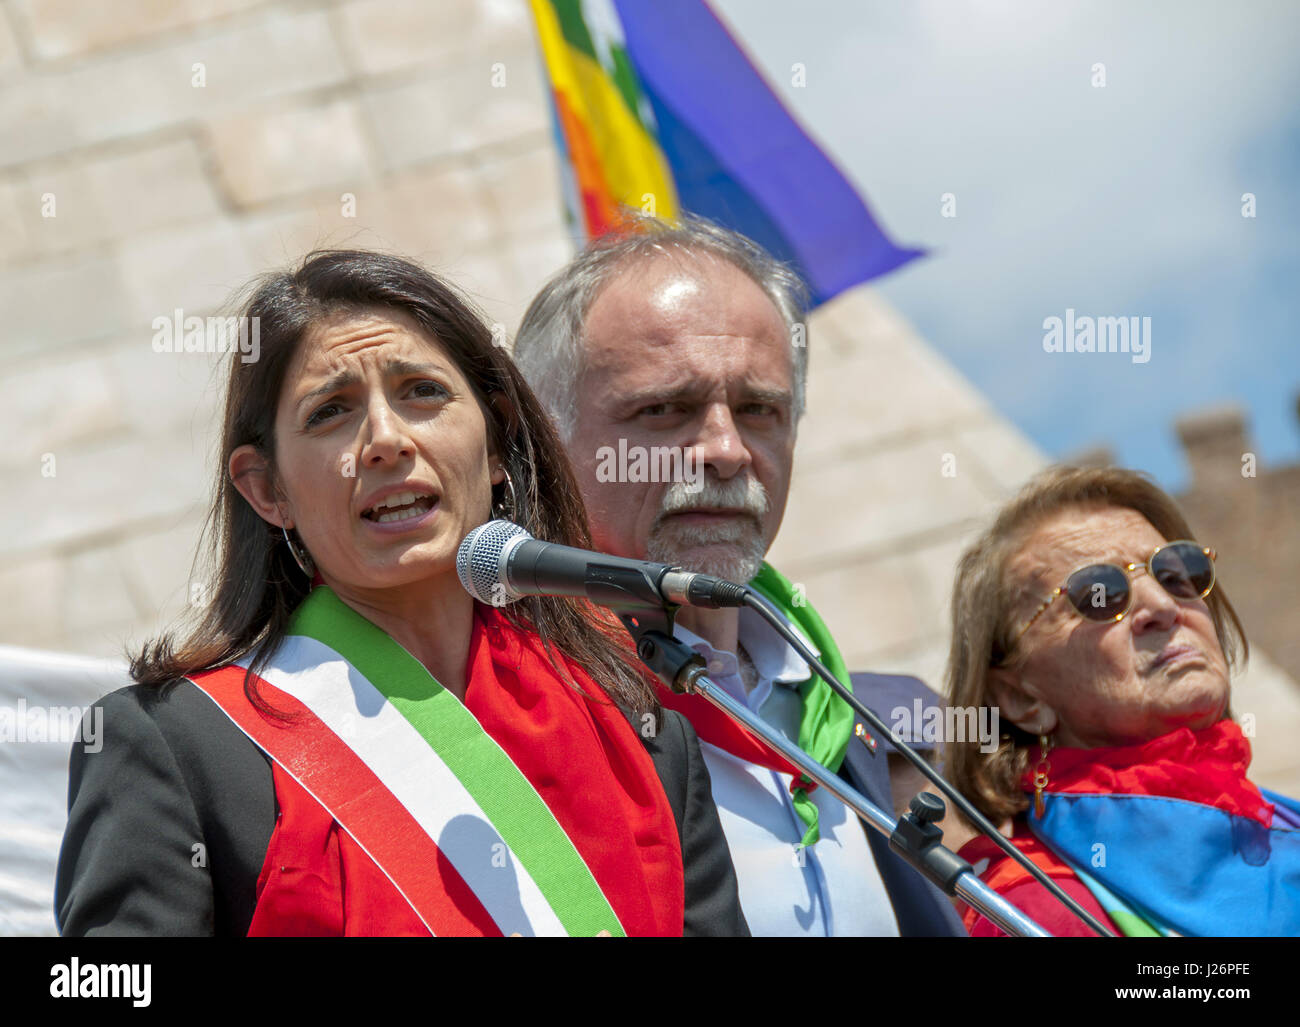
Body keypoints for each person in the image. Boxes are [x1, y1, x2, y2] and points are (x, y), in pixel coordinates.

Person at [55, 249, 748, 937]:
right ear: (268, 490)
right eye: (331, 411)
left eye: (422, 391)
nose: (385, 439)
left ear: (499, 440)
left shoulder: (637, 722)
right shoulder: (180, 749)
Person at [512, 214, 965, 936]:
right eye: (664, 408)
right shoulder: (509, 722)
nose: (726, 449)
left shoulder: (852, 720)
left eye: (759, 409)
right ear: (544, 438)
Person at [943, 464, 1300, 936]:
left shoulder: (1284, 826)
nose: (1163, 607)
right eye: (1100, 594)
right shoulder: (1029, 910)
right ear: (1020, 697)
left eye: (1177, 573)